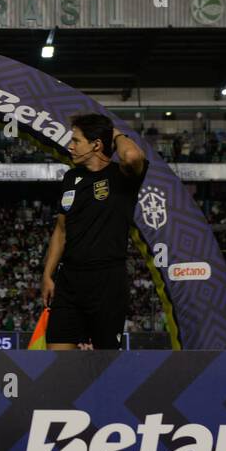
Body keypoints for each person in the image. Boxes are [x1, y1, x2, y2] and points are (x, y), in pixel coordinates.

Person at [41, 113, 148, 350]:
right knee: (58, 365)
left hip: (107, 281)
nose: (70, 146)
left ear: (97, 144)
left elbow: (131, 156)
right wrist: (48, 274)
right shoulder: (71, 177)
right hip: (69, 280)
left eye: (77, 140)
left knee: (105, 365)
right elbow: (61, 229)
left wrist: (116, 134)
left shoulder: (123, 176)